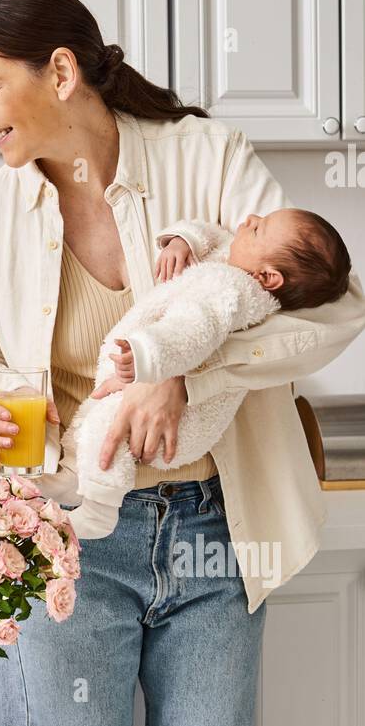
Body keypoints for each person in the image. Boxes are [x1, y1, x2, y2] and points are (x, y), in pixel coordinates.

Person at [0, 0, 365, 726]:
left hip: (213, 527)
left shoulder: (205, 157)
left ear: (60, 69)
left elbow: (335, 303)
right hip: (57, 544)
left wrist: (192, 370)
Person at [47, 207, 352, 538]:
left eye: (258, 229)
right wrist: (183, 241)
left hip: (186, 420)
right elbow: (211, 233)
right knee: (95, 416)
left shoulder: (235, 291)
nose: (248, 218)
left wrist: (148, 357)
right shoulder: (236, 259)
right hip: (145, 383)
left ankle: (100, 510)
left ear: (267, 277)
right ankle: (72, 474)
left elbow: (193, 330)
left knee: (110, 425)